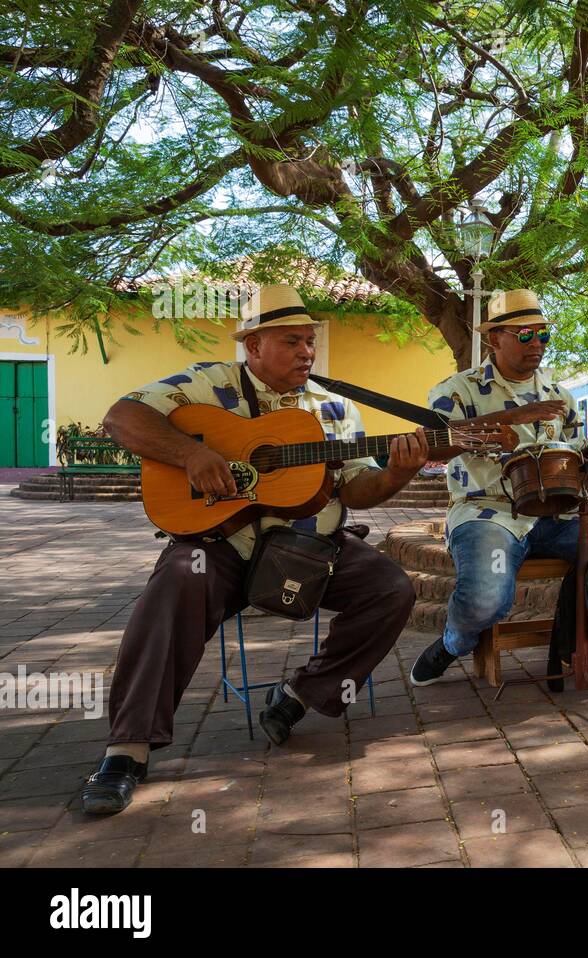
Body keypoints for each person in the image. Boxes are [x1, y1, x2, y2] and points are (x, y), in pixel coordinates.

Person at [79, 285, 430, 815]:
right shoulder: (204, 384)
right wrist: (191, 452)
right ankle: (127, 750)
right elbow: (122, 417)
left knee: (392, 588)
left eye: (310, 342)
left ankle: (300, 696)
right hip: (219, 544)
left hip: (312, 547)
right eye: (292, 341)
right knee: (174, 584)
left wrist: (399, 472)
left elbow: (358, 490)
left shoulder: (334, 408)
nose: (307, 352)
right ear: (254, 346)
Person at [408, 289, 588, 685]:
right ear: (495, 339)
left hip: (559, 512)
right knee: (484, 600)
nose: (537, 344)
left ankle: (570, 634)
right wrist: (514, 417)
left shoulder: (559, 396)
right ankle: (453, 644)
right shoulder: (456, 390)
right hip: (486, 512)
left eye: (543, 335)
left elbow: (577, 452)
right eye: (525, 335)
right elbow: (438, 443)